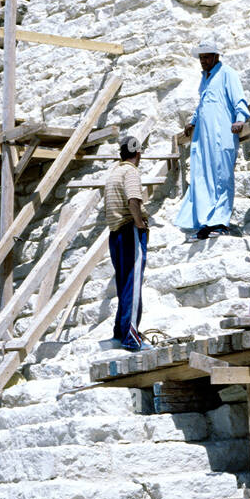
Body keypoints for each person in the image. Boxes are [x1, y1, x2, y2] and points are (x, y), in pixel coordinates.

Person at [176, 38, 250, 239]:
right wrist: (192, 121)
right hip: (204, 138)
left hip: (224, 135)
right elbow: (203, 105)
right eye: (201, 57)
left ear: (216, 56)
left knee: (223, 177)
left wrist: (240, 118)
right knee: (203, 178)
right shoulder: (205, 79)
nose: (203, 61)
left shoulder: (227, 74)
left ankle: (220, 222)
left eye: (207, 57)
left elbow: (239, 99)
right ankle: (205, 223)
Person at [104, 135, 150, 351]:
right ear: (138, 153)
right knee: (133, 284)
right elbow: (133, 200)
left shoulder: (115, 172)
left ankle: (120, 333)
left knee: (124, 284)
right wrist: (140, 223)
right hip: (129, 229)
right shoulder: (131, 172)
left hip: (115, 234)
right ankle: (131, 338)